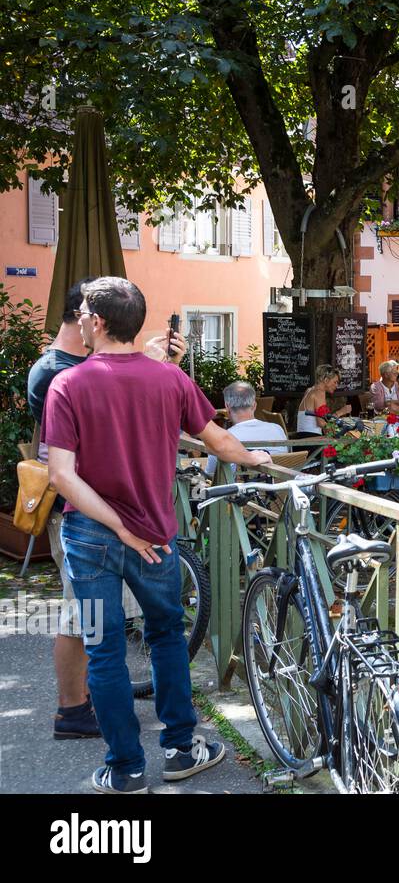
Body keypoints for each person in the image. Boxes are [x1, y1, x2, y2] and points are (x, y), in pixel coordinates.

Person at [45, 276, 273, 793]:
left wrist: (115, 527)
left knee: (103, 649)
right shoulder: (169, 380)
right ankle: (179, 749)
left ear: (98, 323)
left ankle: (124, 769)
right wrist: (259, 458)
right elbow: (221, 442)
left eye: (82, 312)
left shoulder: (70, 383)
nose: (78, 318)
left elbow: (62, 474)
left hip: (90, 536)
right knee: (167, 637)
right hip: (155, 537)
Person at [27, 278, 188, 742]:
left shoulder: (76, 367)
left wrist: (157, 368)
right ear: (88, 318)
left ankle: (87, 708)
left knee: (89, 621)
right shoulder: (56, 371)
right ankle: (74, 710)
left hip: (100, 515)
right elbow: (95, 427)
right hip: (82, 516)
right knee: (85, 621)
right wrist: (148, 368)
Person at [206, 381, 288, 477]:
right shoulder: (277, 430)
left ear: (227, 407)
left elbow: (210, 475)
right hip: (278, 490)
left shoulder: (222, 439)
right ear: (254, 405)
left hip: (238, 491)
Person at [297, 365, 351, 435]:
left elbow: (324, 423)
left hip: (302, 437)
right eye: (335, 382)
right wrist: (340, 412)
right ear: (326, 380)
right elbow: (322, 423)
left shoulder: (309, 390)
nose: (336, 385)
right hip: (310, 440)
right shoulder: (319, 393)